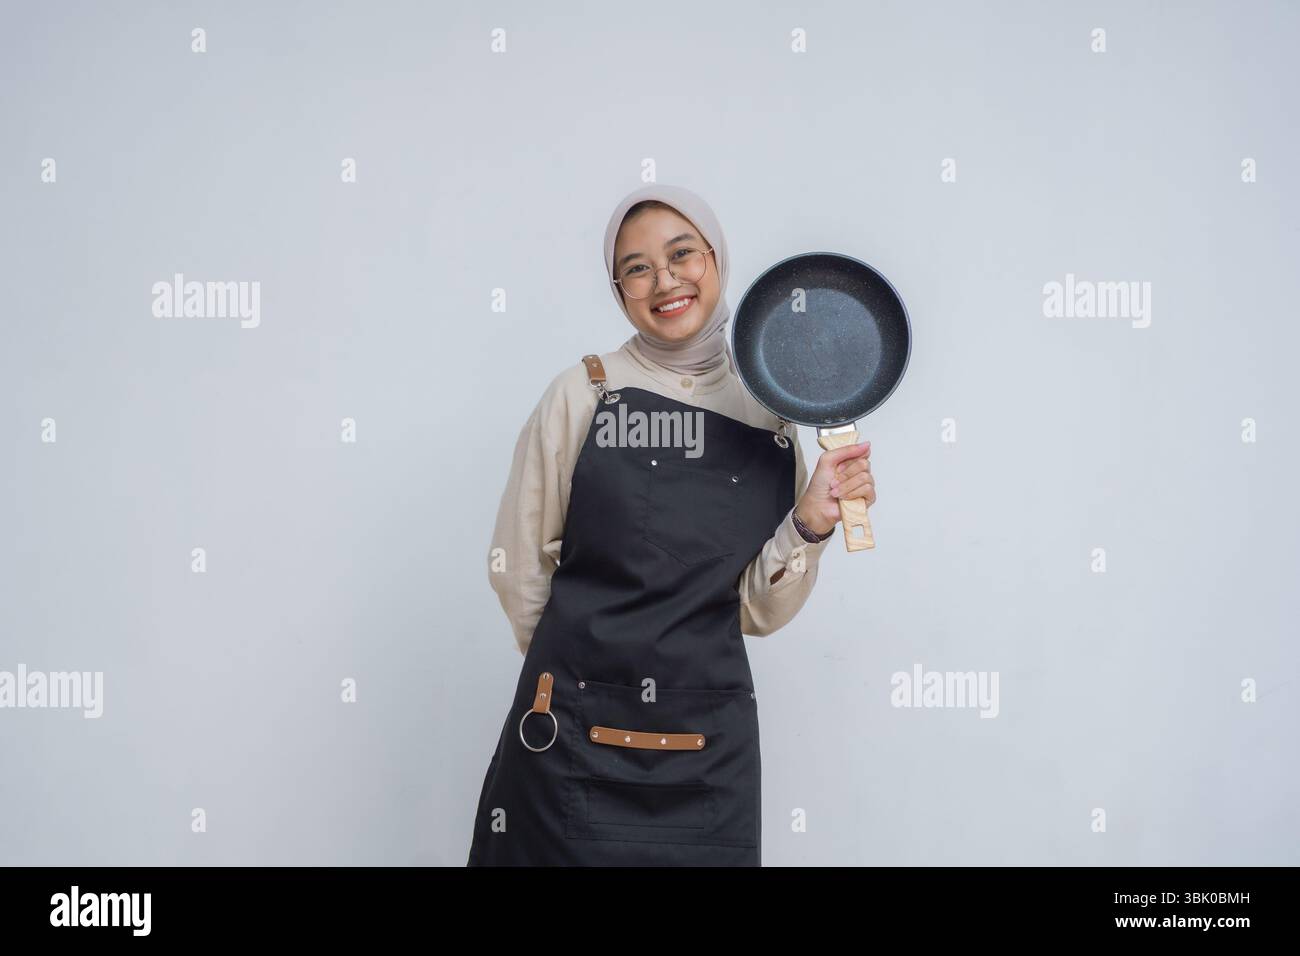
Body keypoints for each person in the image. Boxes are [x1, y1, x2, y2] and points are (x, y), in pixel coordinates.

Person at [467, 183, 876, 866]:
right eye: (636, 267)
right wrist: (572, 676)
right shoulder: (584, 392)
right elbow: (517, 565)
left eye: (681, 254)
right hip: (568, 736)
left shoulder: (767, 411)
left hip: (705, 755)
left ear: (715, 259)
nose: (664, 280)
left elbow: (755, 611)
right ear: (618, 286)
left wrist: (807, 525)